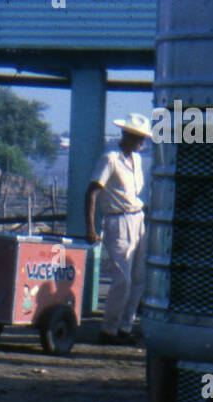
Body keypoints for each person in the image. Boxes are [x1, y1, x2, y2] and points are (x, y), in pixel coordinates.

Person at [85, 113, 151, 345]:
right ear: (128, 136)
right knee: (122, 278)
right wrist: (91, 227)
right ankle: (109, 329)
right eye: (139, 138)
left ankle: (125, 326)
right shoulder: (110, 159)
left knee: (139, 277)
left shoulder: (138, 160)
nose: (142, 142)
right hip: (118, 221)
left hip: (138, 218)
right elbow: (92, 192)